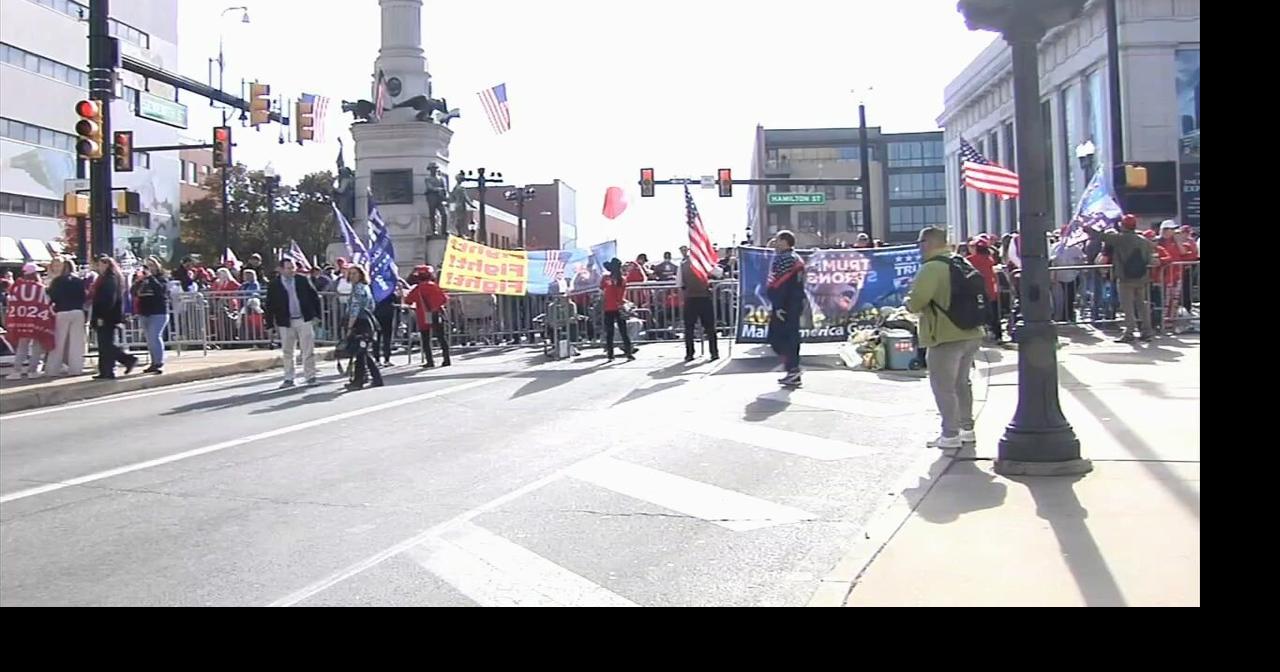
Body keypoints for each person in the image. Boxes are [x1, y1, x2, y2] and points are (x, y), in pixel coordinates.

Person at [906, 227, 986, 449]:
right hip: (971, 332)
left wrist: (907, 300)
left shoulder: (931, 268)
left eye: (920, 242)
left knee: (943, 387)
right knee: (962, 383)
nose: (919, 247)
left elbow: (916, 302)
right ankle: (966, 428)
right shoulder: (959, 261)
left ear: (928, 243)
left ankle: (950, 434)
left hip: (945, 334)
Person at [264, 257, 321, 387]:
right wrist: (269, 324)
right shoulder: (274, 285)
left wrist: (316, 316)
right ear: (281, 269)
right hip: (285, 321)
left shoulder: (302, 280)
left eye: (293, 268)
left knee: (308, 349)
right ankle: (289, 377)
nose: (291, 271)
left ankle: (310, 375)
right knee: (288, 351)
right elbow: (269, 305)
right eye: (288, 268)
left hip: (304, 319)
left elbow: (314, 297)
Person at [1103, 214, 1155, 343]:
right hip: (1142, 278)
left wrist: (1087, 228)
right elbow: (1151, 259)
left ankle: (1129, 333)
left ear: (1122, 225)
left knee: (1128, 307)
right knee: (1142, 305)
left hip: (1125, 279)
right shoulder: (1144, 241)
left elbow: (1101, 236)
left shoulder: (1120, 239)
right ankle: (1147, 332)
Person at [767, 231, 807, 387]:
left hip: (786, 305)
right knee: (788, 337)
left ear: (785, 242)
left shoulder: (785, 259)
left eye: (777, 240)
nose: (775, 242)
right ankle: (792, 368)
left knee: (779, 338)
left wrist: (778, 306)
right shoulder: (793, 257)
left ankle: (793, 369)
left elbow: (781, 285)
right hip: (792, 304)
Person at [89, 255, 138, 380]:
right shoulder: (108, 278)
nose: (99, 267)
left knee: (106, 344)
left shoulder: (110, 279)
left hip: (106, 316)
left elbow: (108, 299)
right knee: (104, 344)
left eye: (100, 264)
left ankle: (127, 359)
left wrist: (101, 315)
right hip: (108, 315)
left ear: (106, 264)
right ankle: (106, 370)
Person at [5, 263, 54, 379]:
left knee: (22, 345)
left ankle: (17, 371)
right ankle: (33, 370)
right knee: (37, 345)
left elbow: (11, 303)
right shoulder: (41, 288)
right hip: (37, 320)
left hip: (22, 320)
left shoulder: (17, 287)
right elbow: (46, 304)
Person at [344, 264, 383, 390]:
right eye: (350, 273)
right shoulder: (364, 287)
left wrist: (350, 327)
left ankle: (359, 380)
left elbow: (355, 309)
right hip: (366, 322)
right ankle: (372, 378)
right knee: (363, 352)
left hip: (361, 322)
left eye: (355, 273)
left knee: (361, 352)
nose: (352, 276)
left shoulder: (359, 289)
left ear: (361, 274)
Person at [46, 256, 87, 376]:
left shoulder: (57, 281)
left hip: (62, 311)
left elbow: (52, 297)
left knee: (58, 342)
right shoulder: (79, 281)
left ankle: (52, 369)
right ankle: (75, 369)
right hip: (78, 312)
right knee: (76, 343)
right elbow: (84, 296)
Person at [405, 265, 451, 368]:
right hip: (436, 313)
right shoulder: (434, 286)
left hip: (423, 316)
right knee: (441, 338)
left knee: (426, 340)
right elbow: (444, 299)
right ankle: (446, 359)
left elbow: (408, 300)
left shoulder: (418, 289)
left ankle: (430, 361)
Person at [678, 248, 720, 362]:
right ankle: (714, 352)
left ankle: (689, 354)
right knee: (710, 328)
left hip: (690, 299)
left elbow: (679, 283)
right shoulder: (704, 263)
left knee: (689, 329)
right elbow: (719, 273)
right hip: (704, 297)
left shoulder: (683, 265)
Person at [132, 256, 170, 374]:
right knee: (149, 339)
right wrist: (139, 280)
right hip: (144, 311)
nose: (149, 268)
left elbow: (160, 291)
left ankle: (159, 362)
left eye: (152, 265)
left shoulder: (161, 278)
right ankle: (153, 362)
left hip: (158, 312)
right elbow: (133, 292)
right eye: (147, 266)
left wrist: (151, 278)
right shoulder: (142, 279)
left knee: (155, 336)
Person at [965, 240, 1002, 343]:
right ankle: (996, 334)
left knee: (978, 311)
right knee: (993, 313)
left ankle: (981, 333)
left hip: (976, 290)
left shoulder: (970, 260)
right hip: (990, 288)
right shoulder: (990, 259)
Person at [600, 258, 635, 362]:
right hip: (618, 306)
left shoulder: (606, 278)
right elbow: (621, 295)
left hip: (609, 306)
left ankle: (611, 355)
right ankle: (628, 353)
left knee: (610, 332)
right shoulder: (622, 279)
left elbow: (602, 290)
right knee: (623, 331)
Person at [1050, 238, 1087, 323]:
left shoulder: (1075, 247)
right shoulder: (1056, 247)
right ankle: (1062, 316)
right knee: (1061, 298)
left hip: (1071, 276)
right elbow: (1052, 261)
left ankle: (1068, 316)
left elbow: (1082, 259)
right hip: (1060, 277)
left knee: (1070, 297)